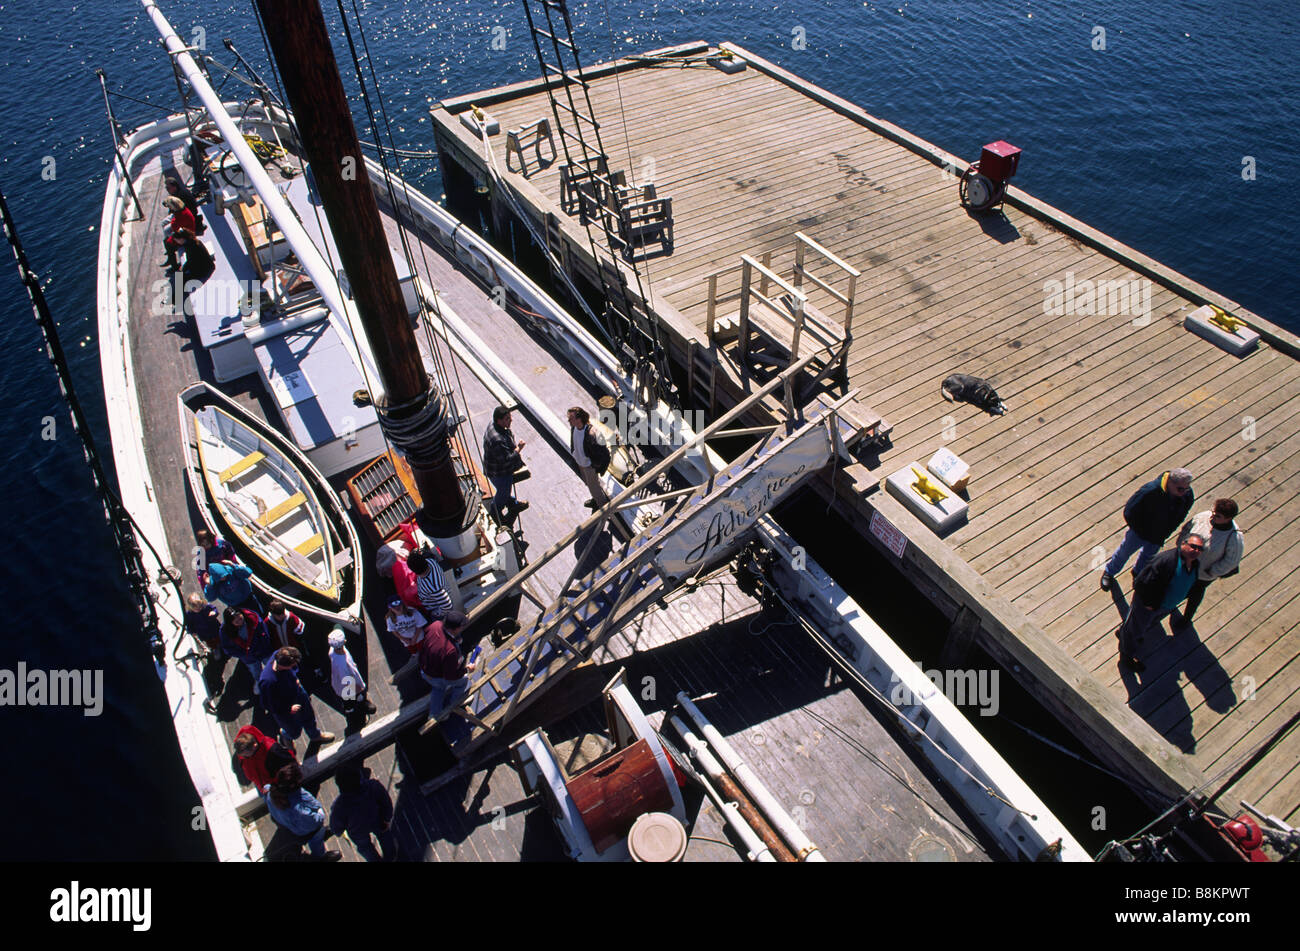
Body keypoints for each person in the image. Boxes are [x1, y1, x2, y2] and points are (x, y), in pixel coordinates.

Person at [1116, 534, 1205, 672]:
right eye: (1193, 546)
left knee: (1140, 627)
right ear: (1183, 544)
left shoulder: (1194, 564)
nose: (1196, 551)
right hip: (1149, 605)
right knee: (1135, 630)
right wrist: (1148, 604)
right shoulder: (1165, 561)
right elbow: (1141, 583)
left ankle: (1125, 634)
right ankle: (1126, 658)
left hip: (1164, 606)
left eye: (1200, 549)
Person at [1101, 468, 1194, 590]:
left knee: (1148, 557)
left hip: (1158, 535)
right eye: (1180, 489)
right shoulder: (1150, 490)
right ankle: (1110, 572)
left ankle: (1138, 574)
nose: (1184, 492)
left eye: (1186, 488)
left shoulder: (1186, 495)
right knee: (1124, 552)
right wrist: (1139, 529)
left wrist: (1168, 531)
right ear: (1170, 482)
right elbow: (1130, 511)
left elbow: (1182, 514)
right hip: (1139, 533)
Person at [1172, 498, 1245, 630]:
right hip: (1184, 562)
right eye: (1213, 512)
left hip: (1203, 574)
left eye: (1218, 516)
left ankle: (1187, 618)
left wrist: (1212, 571)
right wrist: (1180, 546)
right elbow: (1187, 528)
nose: (1212, 516)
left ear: (1228, 519)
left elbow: (1231, 561)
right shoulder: (1203, 517)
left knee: (1195, 594)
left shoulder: (1234, 538)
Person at [259, 646, 336, 748]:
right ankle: (286, 736)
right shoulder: (267, 681)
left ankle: (315, 735)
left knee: (309, 717)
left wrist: (294, 677)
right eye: (292, 665)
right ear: (283, 665)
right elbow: (268, 705)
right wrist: (288, 709)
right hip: (286, 709)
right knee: (294, 731)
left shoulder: (279, 653)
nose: (295, 666)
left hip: (298, 693)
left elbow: (294, 669)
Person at [264, 762, 341, 861]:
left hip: (286, 826)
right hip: (304, 831)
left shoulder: (270, 792)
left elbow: (265, 788)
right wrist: (319, 812)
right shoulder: (299, 810)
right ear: (293, 785)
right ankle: (320, 856)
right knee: (317, 837)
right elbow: (316, 820)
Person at [417, 610, 476, 722]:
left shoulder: (435, 625)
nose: (463, 628)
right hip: (438, 676)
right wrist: (467, 669)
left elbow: (434, 640)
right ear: (454, 629)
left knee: (438, 689)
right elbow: (451, 676)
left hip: (425, 670)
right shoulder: (450, 651)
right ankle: (455, 704)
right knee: (462, 681)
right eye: (461, 626)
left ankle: (434, 714)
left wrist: (455, 639)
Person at [330, 762, 396, 862]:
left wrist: (340, 831)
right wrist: (387, 817)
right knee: (384, 836)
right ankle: (391, 855)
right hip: (378, 820)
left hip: (357, 831)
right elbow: (385, 801)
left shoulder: (338, 807)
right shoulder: (373, 786)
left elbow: (336, 827)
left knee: (365, 848)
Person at [482, 405, 529, 523]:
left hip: (493, 468)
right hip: (499, 473)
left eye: (510, 416)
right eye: (507, 418)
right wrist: (519, 448)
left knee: (504, 492)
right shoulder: (497, 440)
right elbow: (507, 459)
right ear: (499, 420)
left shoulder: (493, 425)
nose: (511, 420)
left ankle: (513, 504)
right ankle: (495, 513)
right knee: (503, 492)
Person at [219, 606, 274, 695]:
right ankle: (259, 681)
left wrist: (263, 647)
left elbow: (265, 634)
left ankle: (274, 680)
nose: (238, 619)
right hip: (248, 657)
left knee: (271, 666)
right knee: (255, 671)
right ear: (229, 622)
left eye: (238, 615)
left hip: (263, 651)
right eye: (233, 619)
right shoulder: (225, 631)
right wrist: (243, 654)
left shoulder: (254, 619)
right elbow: (228, 648)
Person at [567, 406, 611, 510]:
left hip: (588, 466)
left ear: (579, 419)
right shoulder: (574, 428)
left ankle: (602, 507)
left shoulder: (592, 434)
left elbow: (604, 454)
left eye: (571, 418)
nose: (568, 420)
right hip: (580, 462)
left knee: (594, 488)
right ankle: (595, 499)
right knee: (588, 483)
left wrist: (594, 466)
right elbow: (574, 442)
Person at [327, 628, 375, 717]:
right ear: (343, 642)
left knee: (350, 698)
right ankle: (351, 711)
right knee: (350, 699)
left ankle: (352, 707)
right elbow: (347, 682)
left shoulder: (332, 651)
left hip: (340, 684)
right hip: (348, 687)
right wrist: (359, 689)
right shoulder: (341, 664)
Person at [233, 724, 297, 791]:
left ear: (254, 746)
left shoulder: (272, 750)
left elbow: (291, 764)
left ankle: (286, 738)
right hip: (263, 786)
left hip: (278, 786)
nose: (243, 757)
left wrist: (277, 786)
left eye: (246, 755)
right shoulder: (242, 753)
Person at [406, 550, 453, 621]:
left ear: (415, 571)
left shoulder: (434, 588)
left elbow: (447, 606)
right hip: (437, 593)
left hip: (435, 607)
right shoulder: (431, 561)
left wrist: (436, 613)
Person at [161, 195, 195, 270]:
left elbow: (174, 227)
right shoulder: (183, 210)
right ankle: (171, 259)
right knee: (167, 241)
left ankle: (174, 266)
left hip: (187, 236)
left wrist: (173, 221)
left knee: (168, 244)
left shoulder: (181, 216)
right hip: (185, 232)